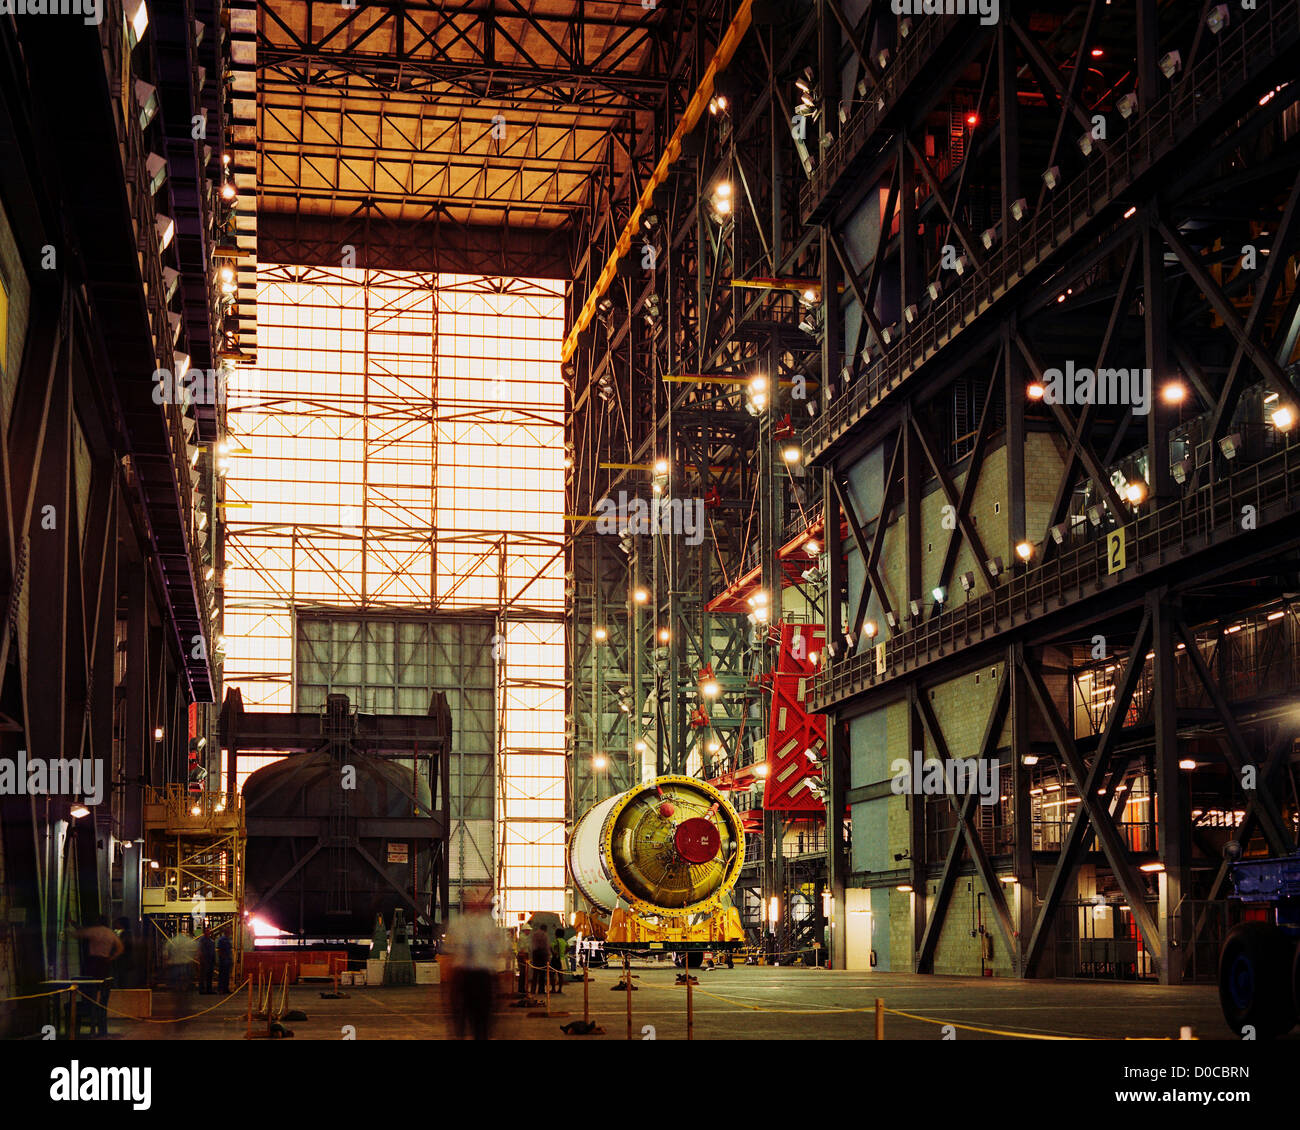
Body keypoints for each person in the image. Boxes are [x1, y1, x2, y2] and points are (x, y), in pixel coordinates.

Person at [445, 905, 505, 1040]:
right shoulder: (461, 924)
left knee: (480, 1022)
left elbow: (496, 953)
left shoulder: (486, 925)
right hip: (465, 976)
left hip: (480, 976)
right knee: (466, 1022)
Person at [72, 917, 123, 1036]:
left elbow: (79, 934)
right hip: (104, 964)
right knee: (103, 996)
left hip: (92, 963)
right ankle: (101, 1028)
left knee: (89, 993)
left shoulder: (94, 931)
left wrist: (71, 925)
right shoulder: (110, 933)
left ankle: (89, 1019)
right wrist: (111, 958)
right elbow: (120, 948)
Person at [164, 924, 198, 1014]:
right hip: (187, 966)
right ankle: (185, 1002)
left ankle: (177, 1003)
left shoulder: (171, 941)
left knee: (176, 987)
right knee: (186, 986)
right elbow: (197, 952)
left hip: (175, 966)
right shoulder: (189, 941)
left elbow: (165, 955)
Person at [529, 921, 549, 996]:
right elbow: (546, 946)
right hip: (542, 954)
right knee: (542, 973)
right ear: (545, 929)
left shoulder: (534, 934)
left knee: (535, 972)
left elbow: (532, 945)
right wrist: (548, 956)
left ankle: (533, 990)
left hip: (535, 953)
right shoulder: (544, 935)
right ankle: (541, 989)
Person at [197, 927, 216, 994]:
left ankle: (209, 989)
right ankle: (201, 990)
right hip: (204, 960)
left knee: (209, 975)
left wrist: (214, 960)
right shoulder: (202, 940)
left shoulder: (211, 941)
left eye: (209, 931)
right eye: (207, 931)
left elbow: (213, 951)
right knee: (202, 975)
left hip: (210, 960)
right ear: (204, 932)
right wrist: (202, 960)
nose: (208, 932)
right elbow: (200, 950)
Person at [550, 926, 568, 993]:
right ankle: (560, 989)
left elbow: (551, 947)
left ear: (556, 934)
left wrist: (554, 953)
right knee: (560, 975)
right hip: (562, 959)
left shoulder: (556, 940)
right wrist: (564, 953)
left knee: (552, 974)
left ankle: (553, 989)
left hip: (556, 959)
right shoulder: (564, 941)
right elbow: (568, 947)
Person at [216, 930, 234, 995]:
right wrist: (223, 958)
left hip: (227, 960)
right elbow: (219, 950)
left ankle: (225, 989)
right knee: (222, 975)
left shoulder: (227, 940)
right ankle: (220, 989)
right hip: (223, 960)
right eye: (229, 932)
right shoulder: (222, 940)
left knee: (226, 975)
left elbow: (229, 950)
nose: (230, 933)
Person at [515, 928, 530, 995]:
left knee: (523, 973)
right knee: (523, 973)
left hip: (523, 955)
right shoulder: (523, 938)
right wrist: (524, 958)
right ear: (525, 930)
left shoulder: (524, 937)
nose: (529, 932)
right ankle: (521, 989)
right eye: (528, 930)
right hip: (522, 956)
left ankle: (522, 988)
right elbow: (522, 949)